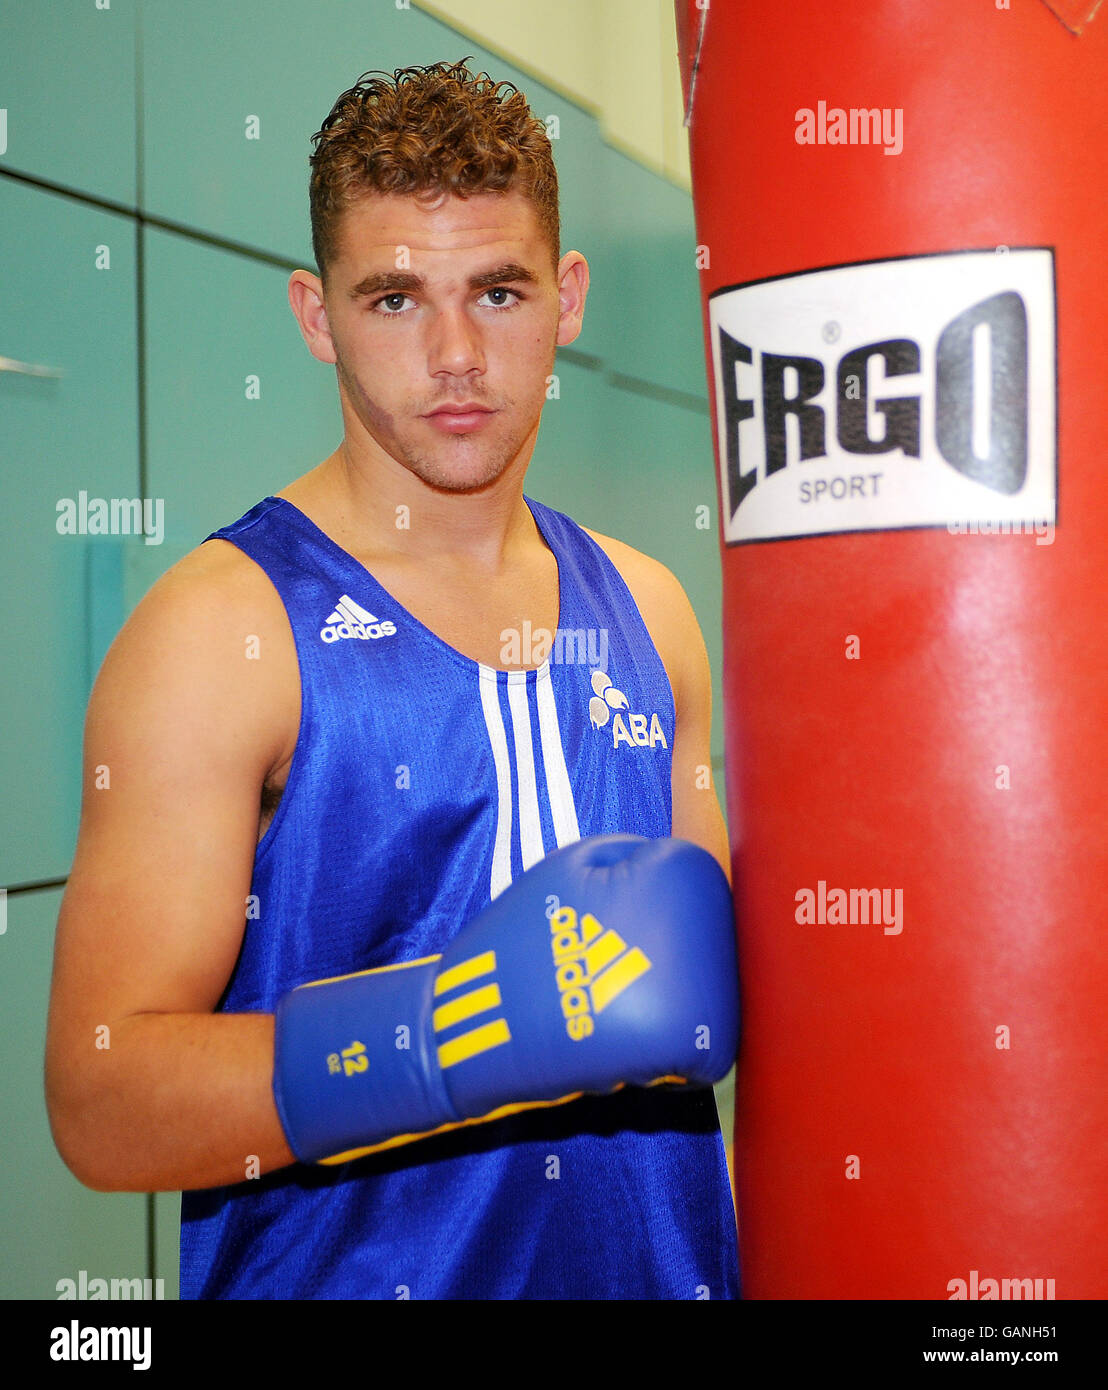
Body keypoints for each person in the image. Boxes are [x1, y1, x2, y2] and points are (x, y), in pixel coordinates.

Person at [45, 59, 740, 1299]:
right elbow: (102, 1102)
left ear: (567, 297)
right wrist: (453, 1034)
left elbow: (717, 1005)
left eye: (499, 289)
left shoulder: (652, 613)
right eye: (395, 299)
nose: (459, 352)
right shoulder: (223, 630)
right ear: (316, 317)